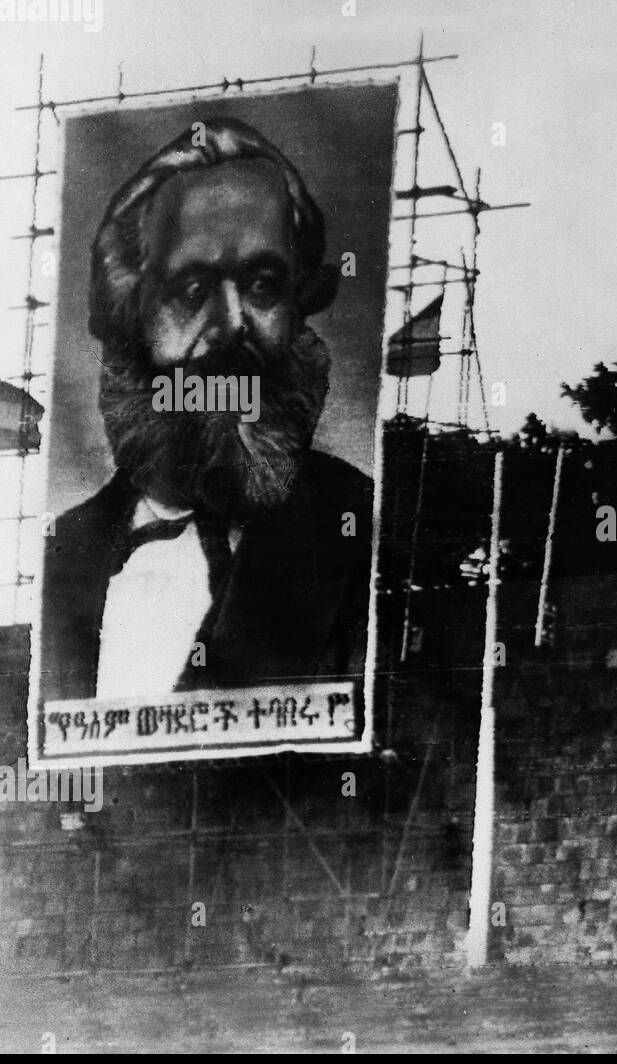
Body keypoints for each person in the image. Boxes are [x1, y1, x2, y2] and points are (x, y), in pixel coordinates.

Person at [42, 118, 371, 702]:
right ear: (129, 315)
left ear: (299, 306)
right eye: (192, 290)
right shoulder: (63, 554)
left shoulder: (362, 525)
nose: (233, 325)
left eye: (264, 283)